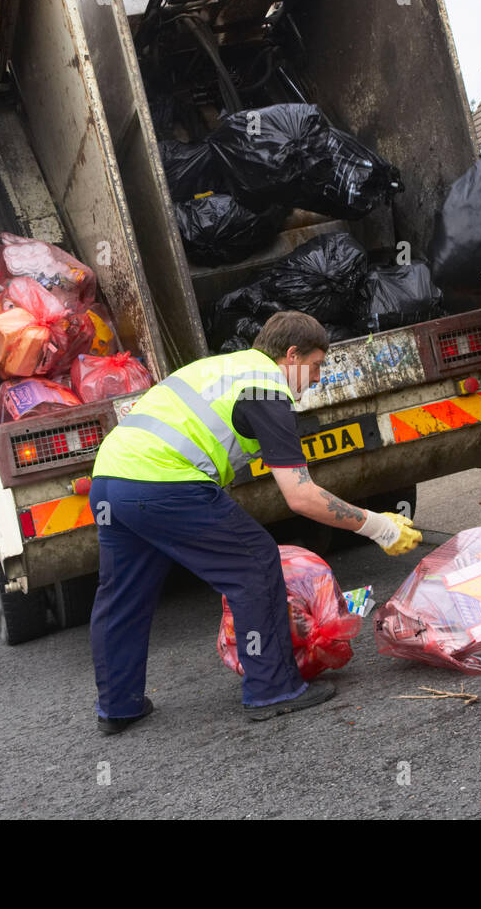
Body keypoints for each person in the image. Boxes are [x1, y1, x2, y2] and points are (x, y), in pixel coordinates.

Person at [87, 310, 421, 733]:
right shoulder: (265, 389)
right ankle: (273, 690)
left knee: (122, 596)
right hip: (164, 482)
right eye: (316, 365)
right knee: (255, 563)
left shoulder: (221, 367)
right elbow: (301, 496)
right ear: (292, 355)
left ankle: (118, 706)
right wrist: (380, 527)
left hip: (110, 481)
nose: (317, 378)